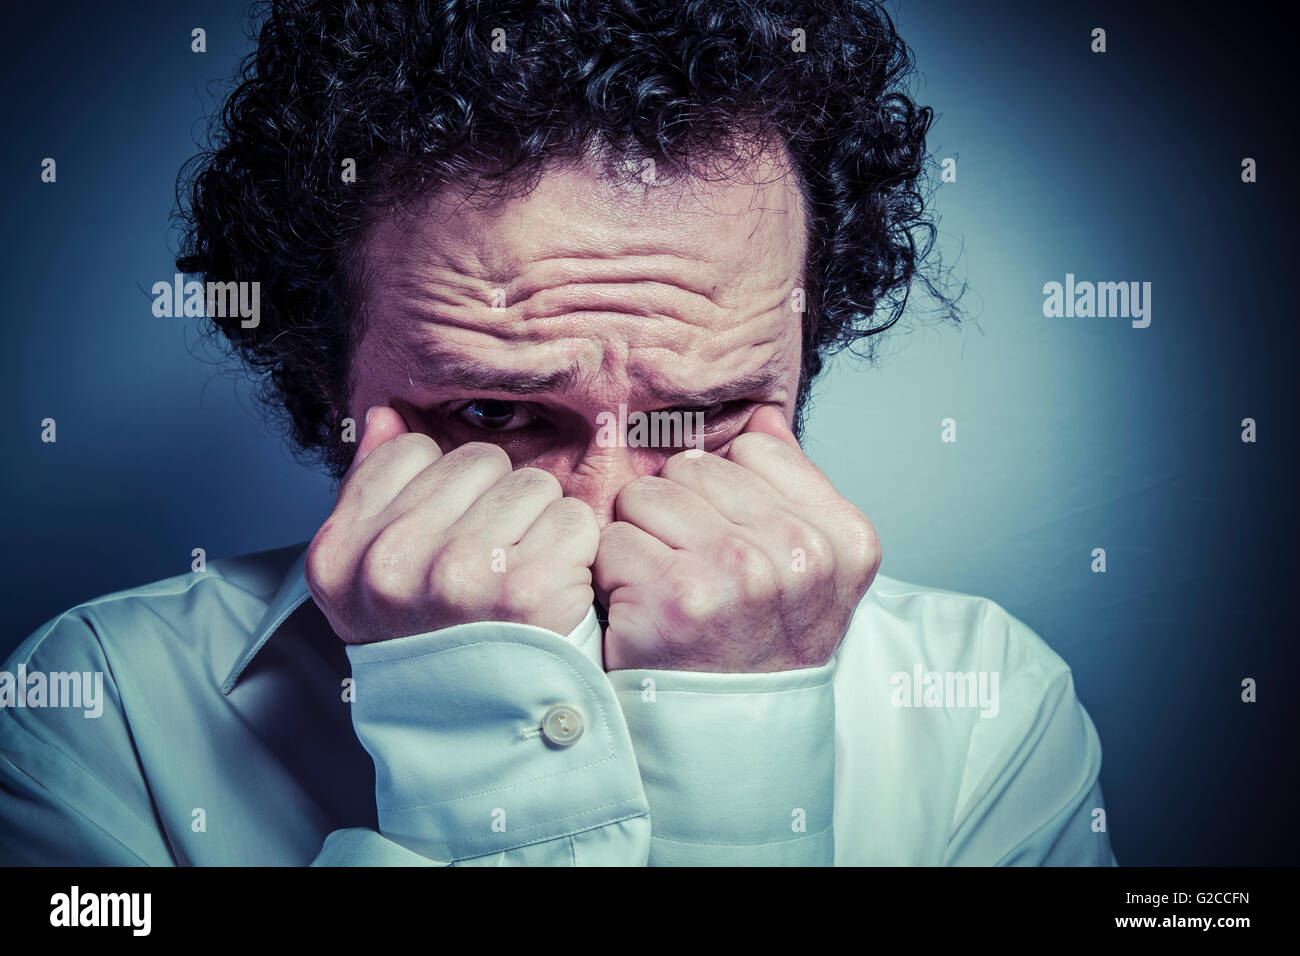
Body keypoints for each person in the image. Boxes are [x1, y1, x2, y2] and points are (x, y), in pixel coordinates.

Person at [0, 0, 1116, 866]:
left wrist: (746, 749)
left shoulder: (985, 702)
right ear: (319, 369)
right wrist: (474, 748)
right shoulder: (102, 710)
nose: (602, 509)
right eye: (494, 414)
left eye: (705, 414)